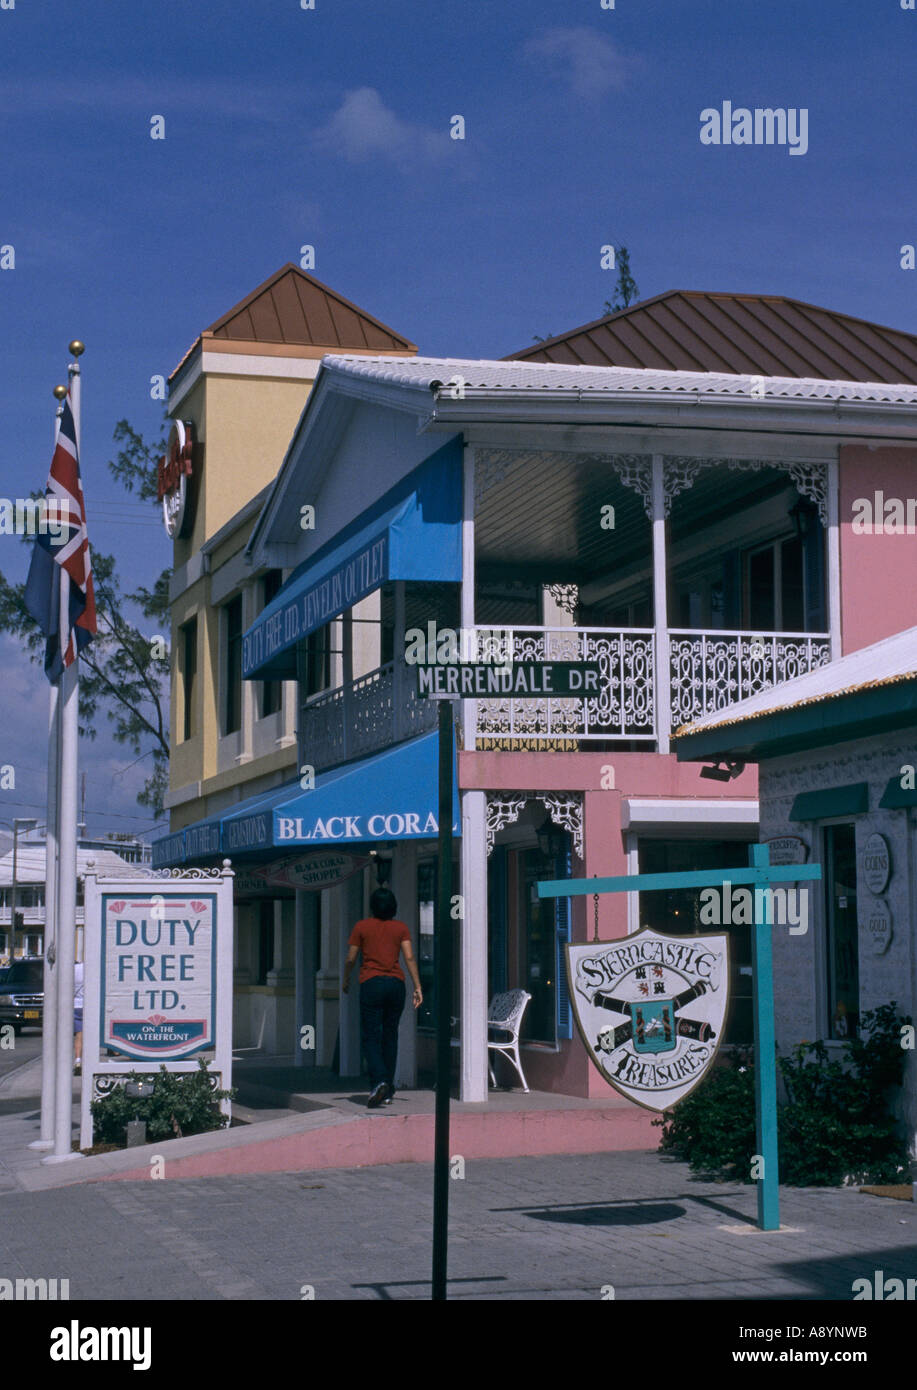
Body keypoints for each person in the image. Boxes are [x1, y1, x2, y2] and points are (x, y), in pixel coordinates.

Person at [342, 887, 422, 1108]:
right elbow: (409, 957)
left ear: (372, 906)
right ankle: (388, 1090)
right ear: (393, 906)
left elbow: (351, 958)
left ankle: (380, 1081)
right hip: (396, 984)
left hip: (371, 983)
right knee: (390, 1036)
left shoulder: (361, 926)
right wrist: (417, 986)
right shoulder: (401, 928)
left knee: (370, 1036)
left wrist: (346, 978)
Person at [73, 959, 84, 1073]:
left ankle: (78, 1059)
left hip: (76, 1005)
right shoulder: (90, 969)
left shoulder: (73, 970)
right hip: (89, 1004)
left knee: (78, 1035)